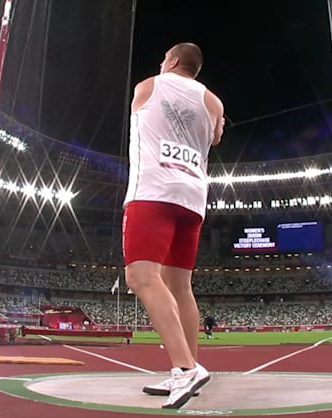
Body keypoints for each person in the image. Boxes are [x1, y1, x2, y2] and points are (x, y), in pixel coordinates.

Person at [122, 42, 224, 409]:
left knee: (141, 277)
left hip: (153, 192)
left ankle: (184, 367)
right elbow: (215, 136)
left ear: (174, 61)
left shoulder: (149, 86)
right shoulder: (214, 102)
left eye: (163, 57)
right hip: (193, 198)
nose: (160, 61)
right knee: (180, 284)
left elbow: (140, 115)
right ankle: (192, 368)